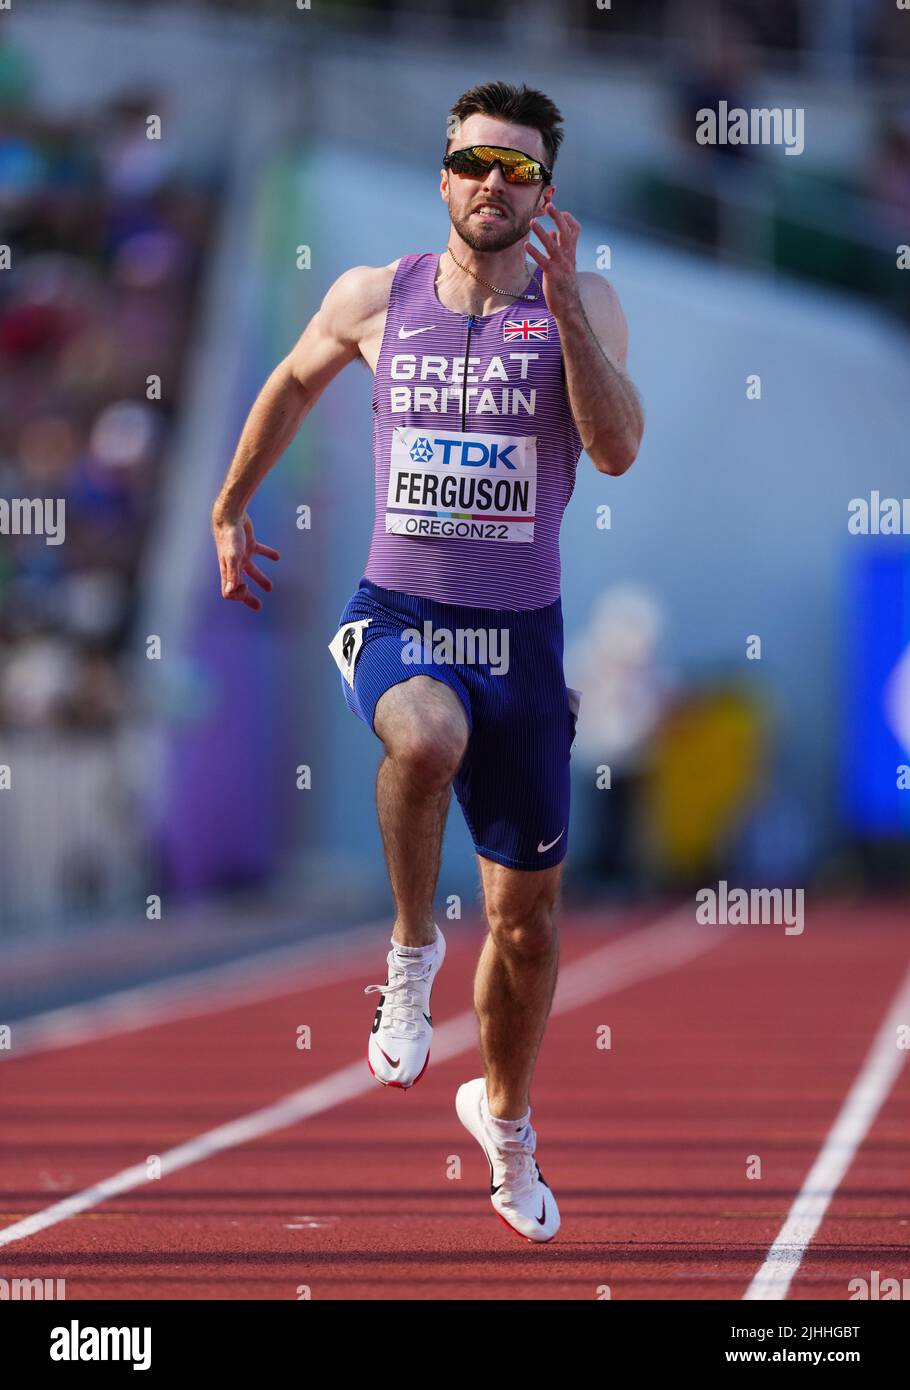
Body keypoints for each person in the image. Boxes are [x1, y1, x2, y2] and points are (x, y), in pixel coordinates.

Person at [211, 80, 643, 1242]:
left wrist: (560, 311)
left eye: (521, 172)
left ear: (547, 193)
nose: (494, 186)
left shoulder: (582, 299)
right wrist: (230, 505)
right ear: (443, 172)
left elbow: (614, 451)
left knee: (529, 927)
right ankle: (409, 954)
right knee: (426, 738)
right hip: (396, 613)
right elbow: (293, 379)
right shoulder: (374, 295)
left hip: (523, 645)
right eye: (476, 164)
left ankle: (503, 1123)